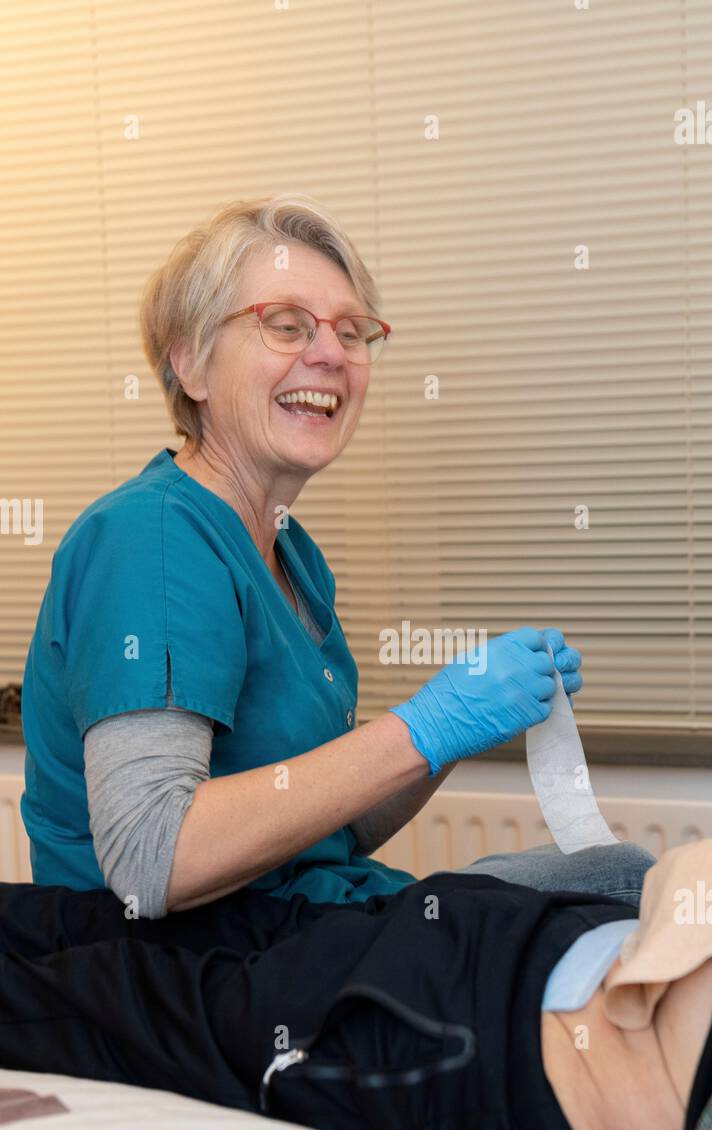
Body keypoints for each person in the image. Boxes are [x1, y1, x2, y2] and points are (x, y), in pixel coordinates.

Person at [20, 192, 652, 922]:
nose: (328, 353)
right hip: (193, 972)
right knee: (621, 895)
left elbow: (331, 825)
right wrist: (425, 727)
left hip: (305, 914)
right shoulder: (152, 540)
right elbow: (153, 860)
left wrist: (455, 732)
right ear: (190, 364)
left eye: (352, 333)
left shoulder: (290, 553)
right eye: (286, 325)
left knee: (620, 874)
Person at [1, 830, 712, 1130]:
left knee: (112, 1001)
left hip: (479, 1034)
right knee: (137, 926)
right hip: (515, 938)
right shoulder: (185, 543)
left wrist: (424, 736)